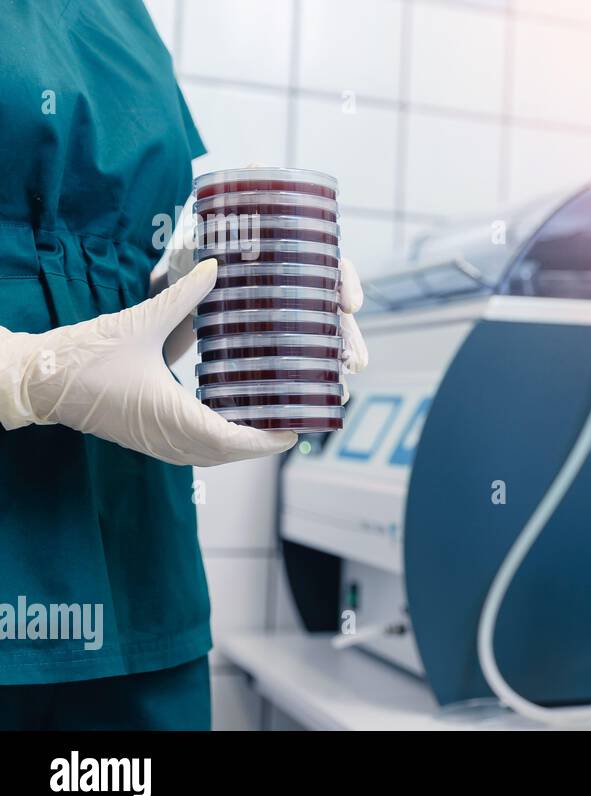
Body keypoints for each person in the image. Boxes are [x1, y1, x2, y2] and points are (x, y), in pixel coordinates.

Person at [0, 1, 366, 729]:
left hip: (140, 563)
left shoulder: (120, 15)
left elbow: (106, 282)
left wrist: (198, 296)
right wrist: (29, 369)